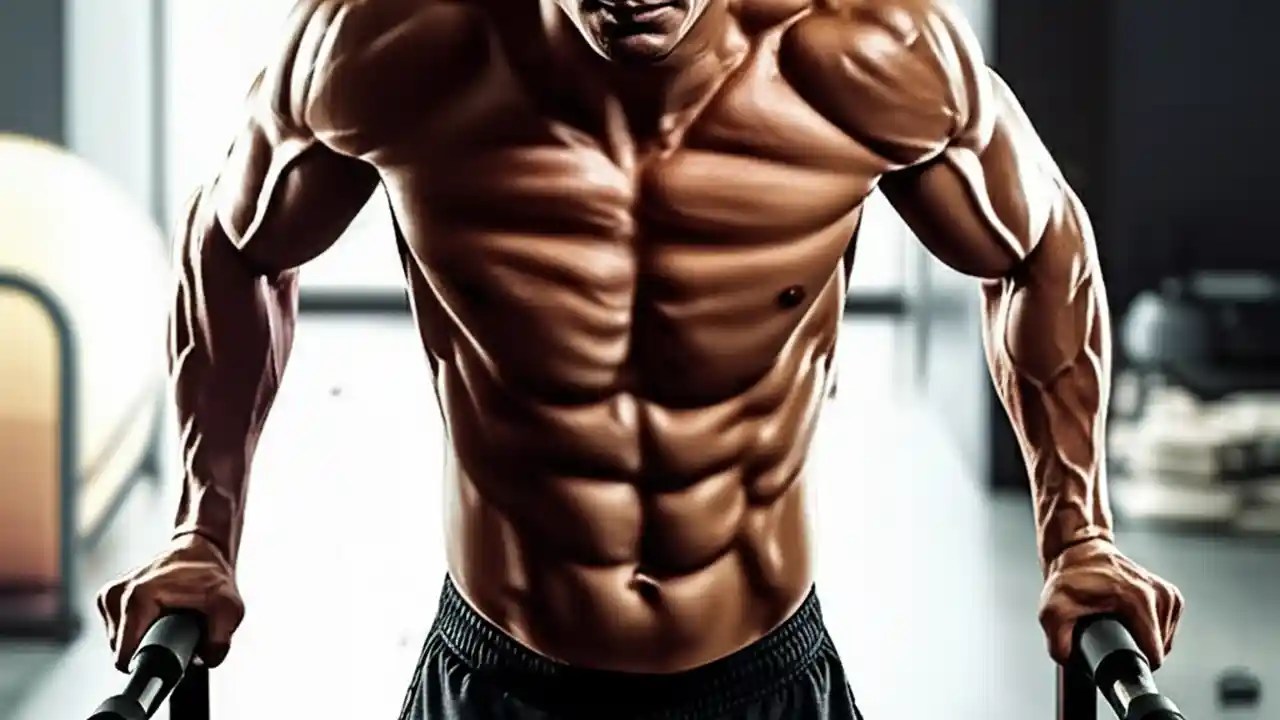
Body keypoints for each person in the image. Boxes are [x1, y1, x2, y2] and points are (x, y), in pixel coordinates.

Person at [97, 0, 1184, 717]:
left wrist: (1078, 534)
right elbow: (233, 246)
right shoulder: (393, 47)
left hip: (762, 676)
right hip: (499, 677)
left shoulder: (863, 54)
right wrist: (203, 533)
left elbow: (1039, 244)